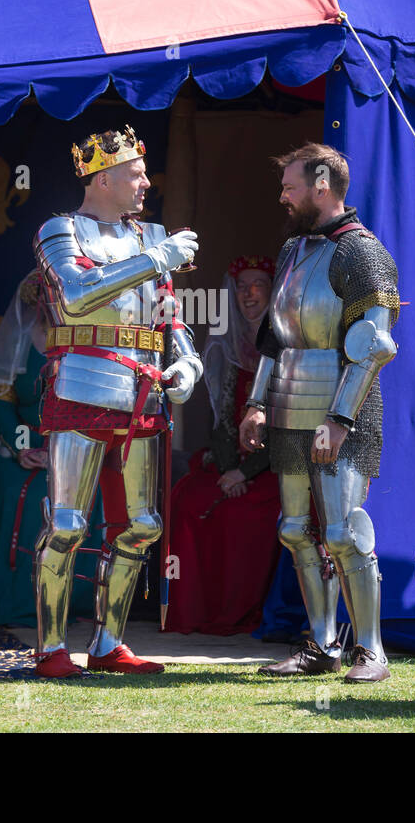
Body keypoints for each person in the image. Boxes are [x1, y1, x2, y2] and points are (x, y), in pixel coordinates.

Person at [31, 124, 202, 678]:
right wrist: (158, 259)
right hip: (80, 386)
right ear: (102, 178)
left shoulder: (152, 233)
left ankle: (107, 644)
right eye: (136, 172)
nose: (146, 182)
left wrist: (187, 361)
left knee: (144, 524)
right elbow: (77, 297)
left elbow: (168, 316)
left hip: (142, 394)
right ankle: (51, 648)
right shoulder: (59, 229)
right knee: (66, 523)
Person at [239, 143, 400, 683]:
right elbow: (274, 341)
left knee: (343, 533)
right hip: (287, 404)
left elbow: (373, 346)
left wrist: (340, 419)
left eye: (290, 185)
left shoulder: (362, 253)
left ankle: (371, 650)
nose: (282, 195)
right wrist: (257, 404)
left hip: (339, 408)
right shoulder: (292, 250)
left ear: (323, 183)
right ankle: (323, 644)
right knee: (294, 530)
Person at [0, 271, 103, 626]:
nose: (52, 304)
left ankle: (72, 602)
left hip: (74, 443)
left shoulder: (85, 341)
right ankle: (11, 602)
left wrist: (62, 449)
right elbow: (3, 404)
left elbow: (93, 402)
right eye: (46, 297)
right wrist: (24, 448)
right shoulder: (19, 339)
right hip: (23, 444)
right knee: (9, 485)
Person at [165, 255, 282, 635]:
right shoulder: (226, 344)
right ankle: (193, 612)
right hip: (229, 460)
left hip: (276, 464)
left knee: (245, 516)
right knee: (188, 499)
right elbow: (221, 416)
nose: (249, 293)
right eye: (242, 286)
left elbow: (288, 422)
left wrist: (246, 472)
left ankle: (238, 614)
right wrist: (230, 468)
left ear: (273, 291)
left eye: (259, 285)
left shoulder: (288, 342)